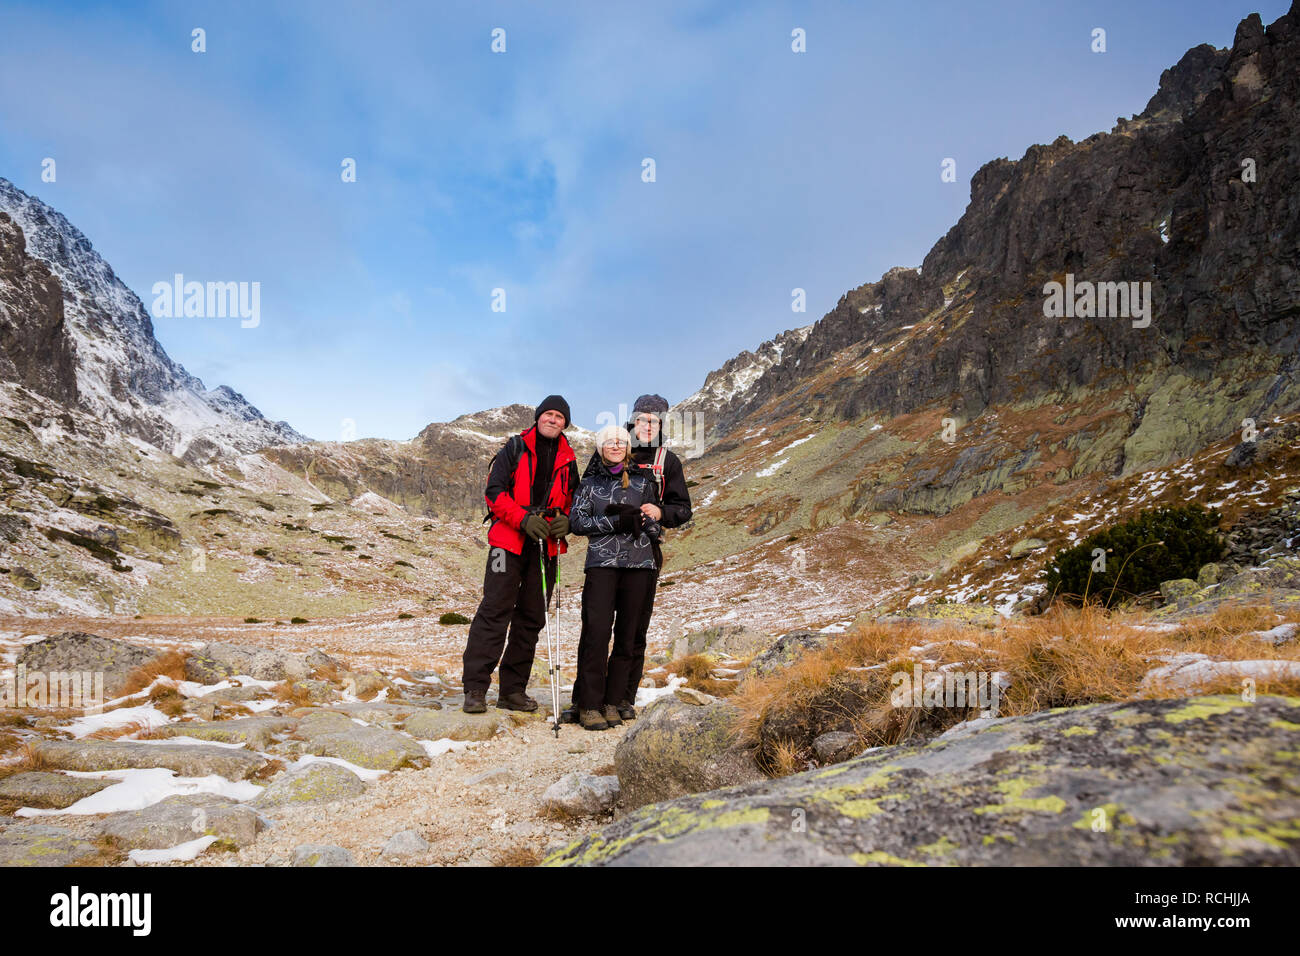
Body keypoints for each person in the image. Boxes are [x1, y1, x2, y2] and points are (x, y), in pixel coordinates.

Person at [460, 395, 579, 714]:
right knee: (494, 610)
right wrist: (523, 519)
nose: (553, 420)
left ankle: (513, 691)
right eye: (548, 414)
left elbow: (575, 503)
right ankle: (475, 688)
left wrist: (564, 522)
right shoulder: (513, 449)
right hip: (506, 544)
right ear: (538, 417)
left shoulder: (569, 459)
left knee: (531, 618)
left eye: (559, 416)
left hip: (545, 549)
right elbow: (494, 494)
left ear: (565, 423)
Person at [566, 424, 663, 731]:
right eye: (608, 442)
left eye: (620, 442)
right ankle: (589, 704)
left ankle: (613, 701)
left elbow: (654, 519)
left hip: (640, 564)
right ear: (600, 448)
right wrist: (614, 521)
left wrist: (650, 526)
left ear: (627, 446)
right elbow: (577, 522)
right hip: (602, 565)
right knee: (596, 633)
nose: (615, 446)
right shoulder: (590, 484)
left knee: (627, 635)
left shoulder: (643, 481)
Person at [617, 394, 692, 719]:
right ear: (632, 421)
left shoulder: (668, 461)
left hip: (646, 551)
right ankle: (590, 698)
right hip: (606, 552)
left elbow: (683, 508)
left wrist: (661, 512)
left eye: (654, 421)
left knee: (634, 628)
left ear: (661, 425)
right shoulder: (613, 449)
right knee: (599, 626)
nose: (647, 425)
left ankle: (623, 698)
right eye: (642, 419)